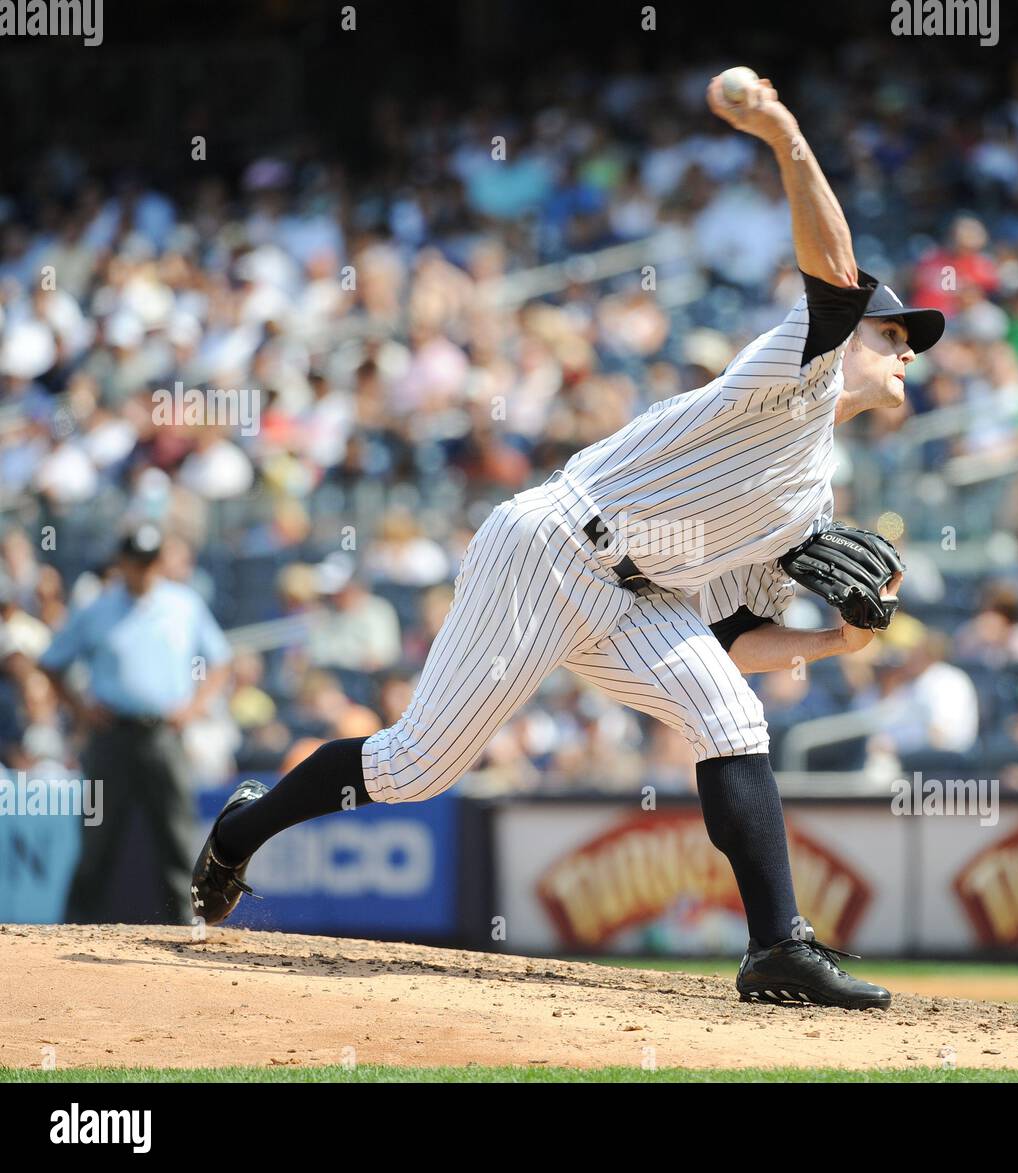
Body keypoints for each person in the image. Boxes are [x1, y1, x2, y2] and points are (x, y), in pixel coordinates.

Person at [192, 73, 944, 1011]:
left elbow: (734, 643)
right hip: (549, 546)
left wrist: (834, 643)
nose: (908, 344)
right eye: (894, 329)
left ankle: (777, 950)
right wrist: (784, 131)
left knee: (732, 718)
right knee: (413, 767)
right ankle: (243, 830)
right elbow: (835, 269)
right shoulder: (798, 373)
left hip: (639, 597)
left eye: (914, 335)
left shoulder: (809, 499)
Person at [40, 523, 232, 923]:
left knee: (177, 838)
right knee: (96, 840)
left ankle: (190, 927)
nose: (143, 571)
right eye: (135, 562)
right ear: (122, 563)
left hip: (164, 733)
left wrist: (194, 707)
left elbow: (219, 659)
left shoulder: (184, 605)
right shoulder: (98, 609)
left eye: (149, 562)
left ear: (159, 563)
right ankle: (76, 927)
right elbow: (53, 662)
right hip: (111, 736)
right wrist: (80, 709)